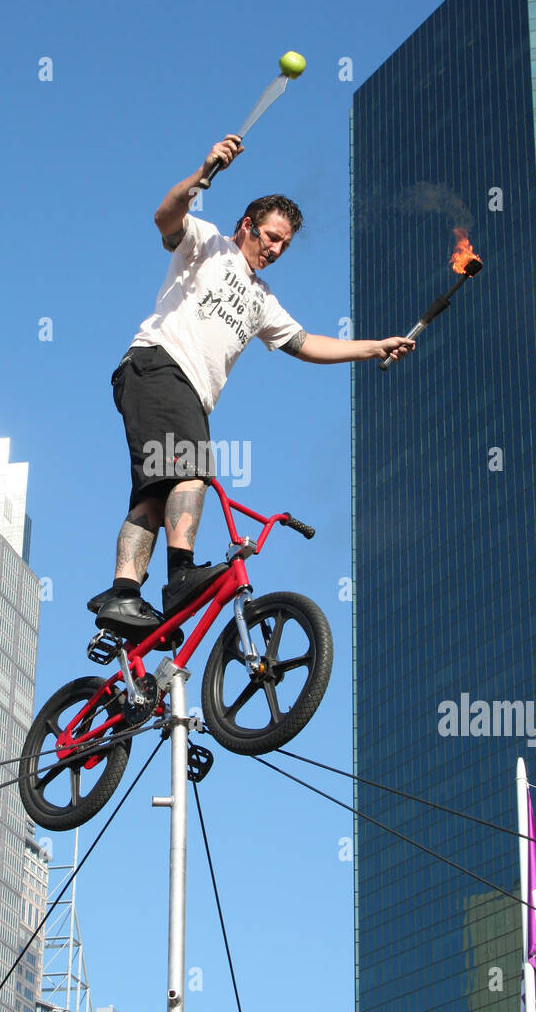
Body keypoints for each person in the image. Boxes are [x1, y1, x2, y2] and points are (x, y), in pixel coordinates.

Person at [88, 135, 415, 640]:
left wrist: (372, 347)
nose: (275, 248)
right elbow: (164, 216)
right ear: (247, 225)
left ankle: (124, 596)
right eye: (270, 236)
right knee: (193, 472)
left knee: (155, 494)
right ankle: (180, 577)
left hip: (183, 391)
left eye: (284, 243)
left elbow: (307, 344)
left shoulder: (263, 300)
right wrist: (201, 174)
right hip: (159, 366)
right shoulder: (208, 244)